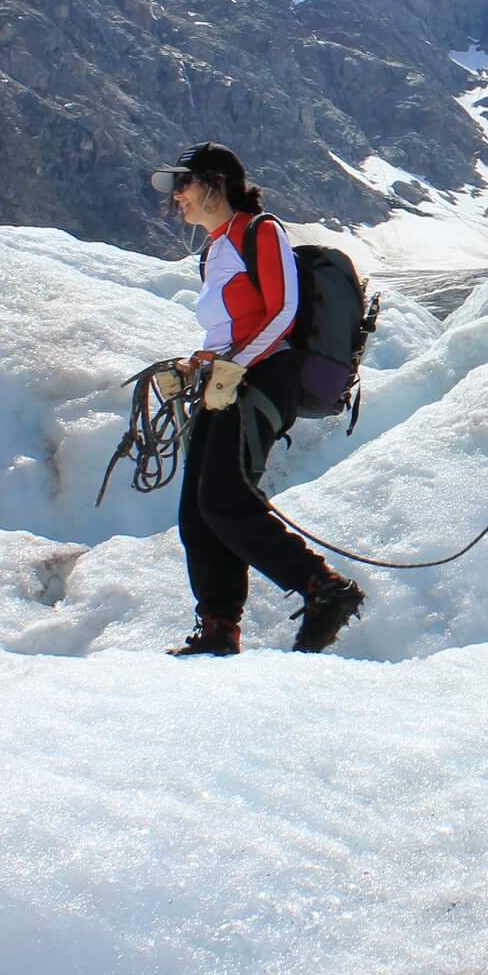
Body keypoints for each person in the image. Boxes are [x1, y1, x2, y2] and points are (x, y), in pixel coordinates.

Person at [148, 143, 365, 657]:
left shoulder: (260, 231)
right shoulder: (216, 249)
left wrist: (236, 366)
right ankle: (219, 626)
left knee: (224, 497)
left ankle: (322, 587)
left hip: (263, 378)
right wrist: (197, 364)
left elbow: (283, 310)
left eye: (183, 183)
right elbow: (229, 328)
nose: (175, 196)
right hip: (227, 380)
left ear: (215, 183)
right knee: (198, 510)